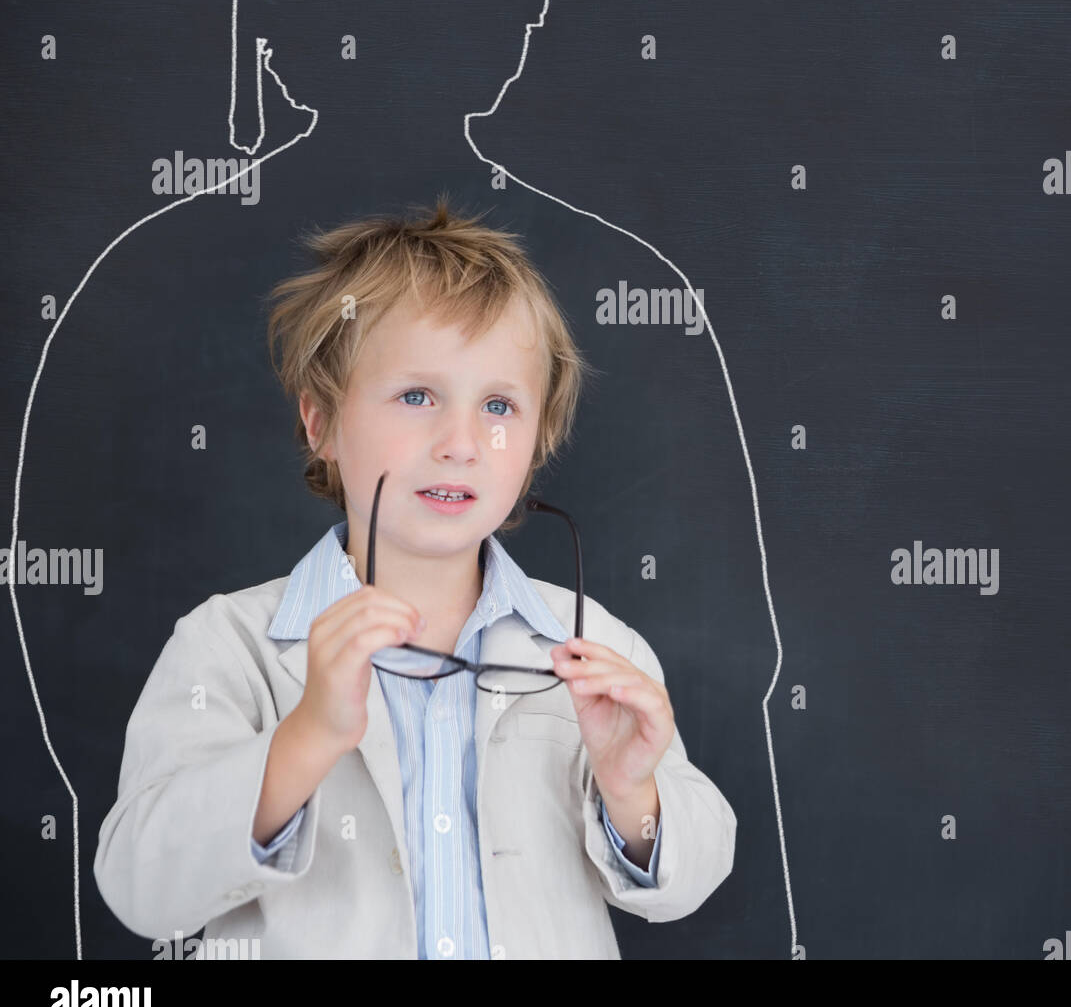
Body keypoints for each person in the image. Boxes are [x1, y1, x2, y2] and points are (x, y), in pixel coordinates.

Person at [93, 196, 736, 959]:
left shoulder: (596, 646)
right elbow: (141, 887)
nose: (460, 442)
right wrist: (305, 737)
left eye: (498, 404)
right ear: (320, 422)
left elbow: (692, 874)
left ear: (536, 443)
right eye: (416, 396)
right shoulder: (228, 646)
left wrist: (634, 794)